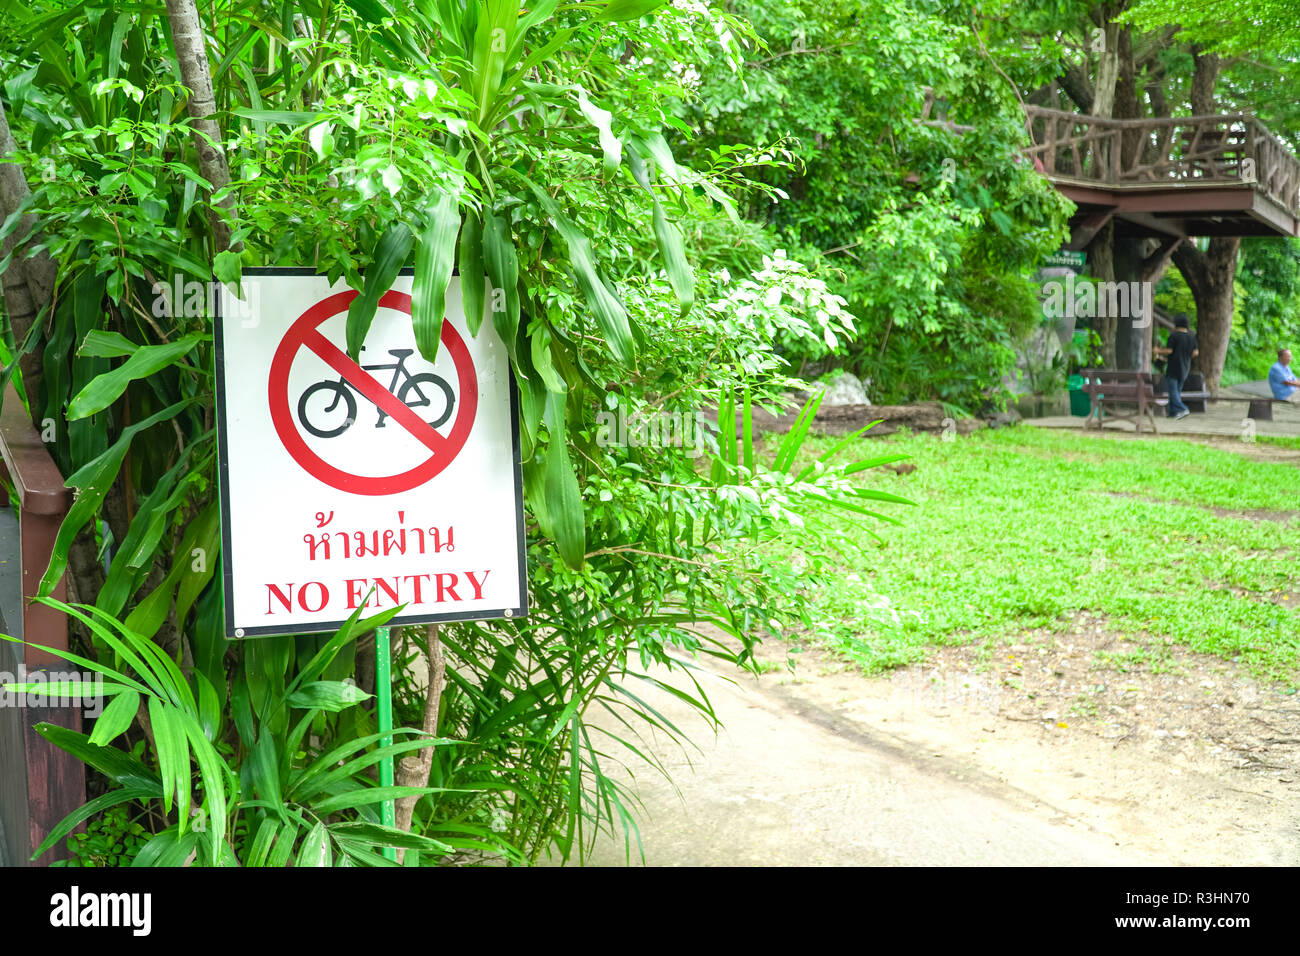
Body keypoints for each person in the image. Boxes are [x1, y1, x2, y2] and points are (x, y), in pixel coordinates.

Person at [1153, 314, 1198, 420]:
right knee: (1177, 390)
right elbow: (1195, 352)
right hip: (1185, 367)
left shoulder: (1174, 336)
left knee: (1172, 391)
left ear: (1176, 324)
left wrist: (1157, 351)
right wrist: (1186, 355)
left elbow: (1169, 350)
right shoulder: (1191, 337)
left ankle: (1182, 408)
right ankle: (1174, 412)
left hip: (1173, 367)